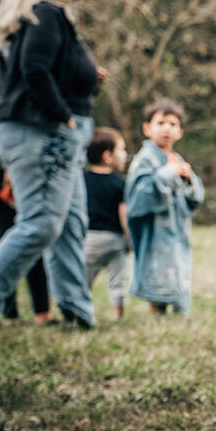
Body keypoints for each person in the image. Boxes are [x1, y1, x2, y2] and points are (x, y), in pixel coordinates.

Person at [0, 0, 103, 334]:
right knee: (40, 224)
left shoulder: (55, 17)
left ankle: (77, 311)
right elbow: (34, 69)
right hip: (41, 134)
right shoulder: (46, 12)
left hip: (56, 135)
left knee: (72, 223)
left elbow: (51, 71)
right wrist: (63, 118)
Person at [0, 0, 54, 326]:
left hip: (34, 151)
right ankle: (3, 308)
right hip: (2, 156)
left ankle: (42, 310)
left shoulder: (31, 51)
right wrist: (10, 164)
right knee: (13, 230)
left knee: (36, 230)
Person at [126, 99, 204, 316]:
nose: (166, 128)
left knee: (177, 272)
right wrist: (169, 173)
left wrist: (188, 181)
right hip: (155, 232)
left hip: (177, 230)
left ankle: (179, 312)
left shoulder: (177, 159)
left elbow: (195, 197)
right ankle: (157, 311)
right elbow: (138, 196)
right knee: (158, 273)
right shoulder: (145, 160)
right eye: (160, 123)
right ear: (147, 128)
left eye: (172, 124)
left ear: (180, 131)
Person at [84, 127, 130, 321]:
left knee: (83, 281)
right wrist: (128, 239)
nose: (125, 155)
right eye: (122, 150)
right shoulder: (120, 183)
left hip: (88, 240)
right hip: (113, 240)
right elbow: (123, 215)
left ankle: (81, 312)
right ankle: (118, 314)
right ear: (107, 156)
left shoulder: (81, 180)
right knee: (117, 281)